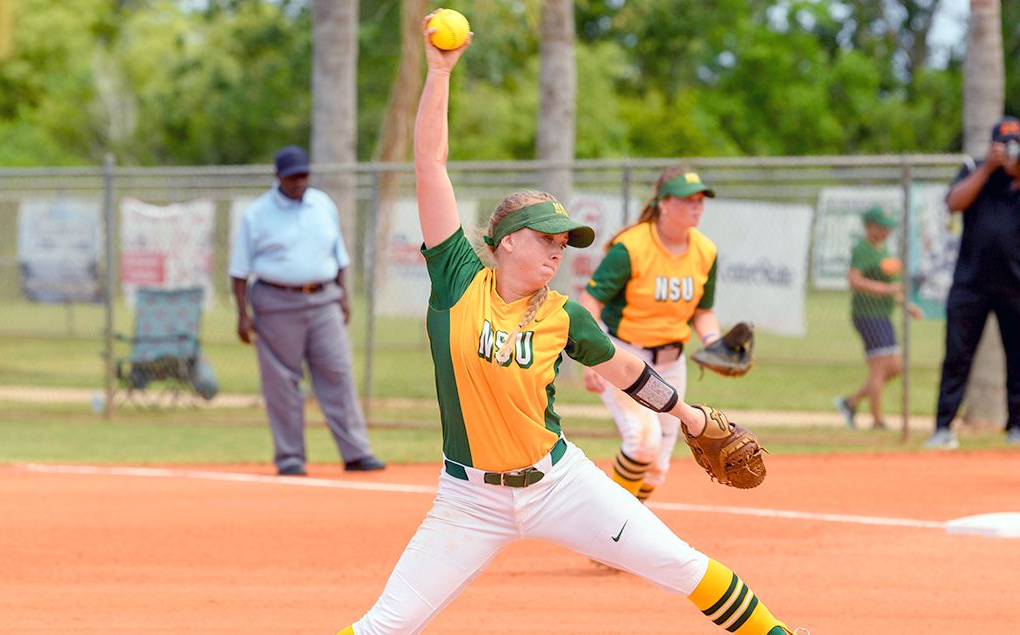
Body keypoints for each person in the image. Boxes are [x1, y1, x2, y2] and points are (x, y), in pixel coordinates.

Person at [338, 16, 805, 635]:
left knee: (682, 565)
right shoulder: (456, 281)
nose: (559, 252)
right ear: (505, 243)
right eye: (547, 240)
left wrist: (691, 418)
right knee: (385, 625)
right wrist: (440, 72)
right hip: (469, 501)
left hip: (560, 483)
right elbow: (431, 161)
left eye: (566, 243)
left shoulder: (565, 315)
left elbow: (629, 370)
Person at [228, 145, 385, 476]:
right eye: (291, 177)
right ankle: (290, 458)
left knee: (338, 373)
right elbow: (239, 271)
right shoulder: (256, 214)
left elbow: (339, 256)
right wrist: (242, 314)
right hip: (276, 301)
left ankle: (357, 452)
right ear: (277, 177)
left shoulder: (322, 205)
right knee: (282, 381)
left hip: (324, 298)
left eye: (303, 175)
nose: (299, 182)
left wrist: (342, 295)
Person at [579, 166, 724, 503]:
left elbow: (703, 311)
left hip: (672, 363)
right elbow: (590, 302)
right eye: (687, 199)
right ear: (663, 203)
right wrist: (589, 357)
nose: (697, 206)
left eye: (701, 199)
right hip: (623, 356)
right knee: (643, 441)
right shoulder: (630, 248)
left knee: (658, 466)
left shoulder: (706, 252)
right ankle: (612, 532)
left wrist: (716, 344)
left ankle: (628, 536)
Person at [924, 116, 1020, 450]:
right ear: (993, 144)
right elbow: (953, 203)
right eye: (1004, 145)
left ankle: (1016, 428)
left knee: (1019, 359)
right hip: (971, 284)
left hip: (1018, 284)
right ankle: (942, 428)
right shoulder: (974, 167)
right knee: (956, 356)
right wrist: (986, 168)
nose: (1011, 152)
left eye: (1015, 145)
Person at [833, 206, 923, 430]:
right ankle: (877, 421)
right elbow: (854, 279)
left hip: (884, 314)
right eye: (881, 227)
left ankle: (850, 402)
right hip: (867, 314)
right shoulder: (863, 248)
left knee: (894, 368)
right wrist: (881, 289)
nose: (886, 231)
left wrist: (906, 305)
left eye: (888, 227)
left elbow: (894, 286)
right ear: (868, 227)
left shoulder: (884, 249)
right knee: (880, 369)